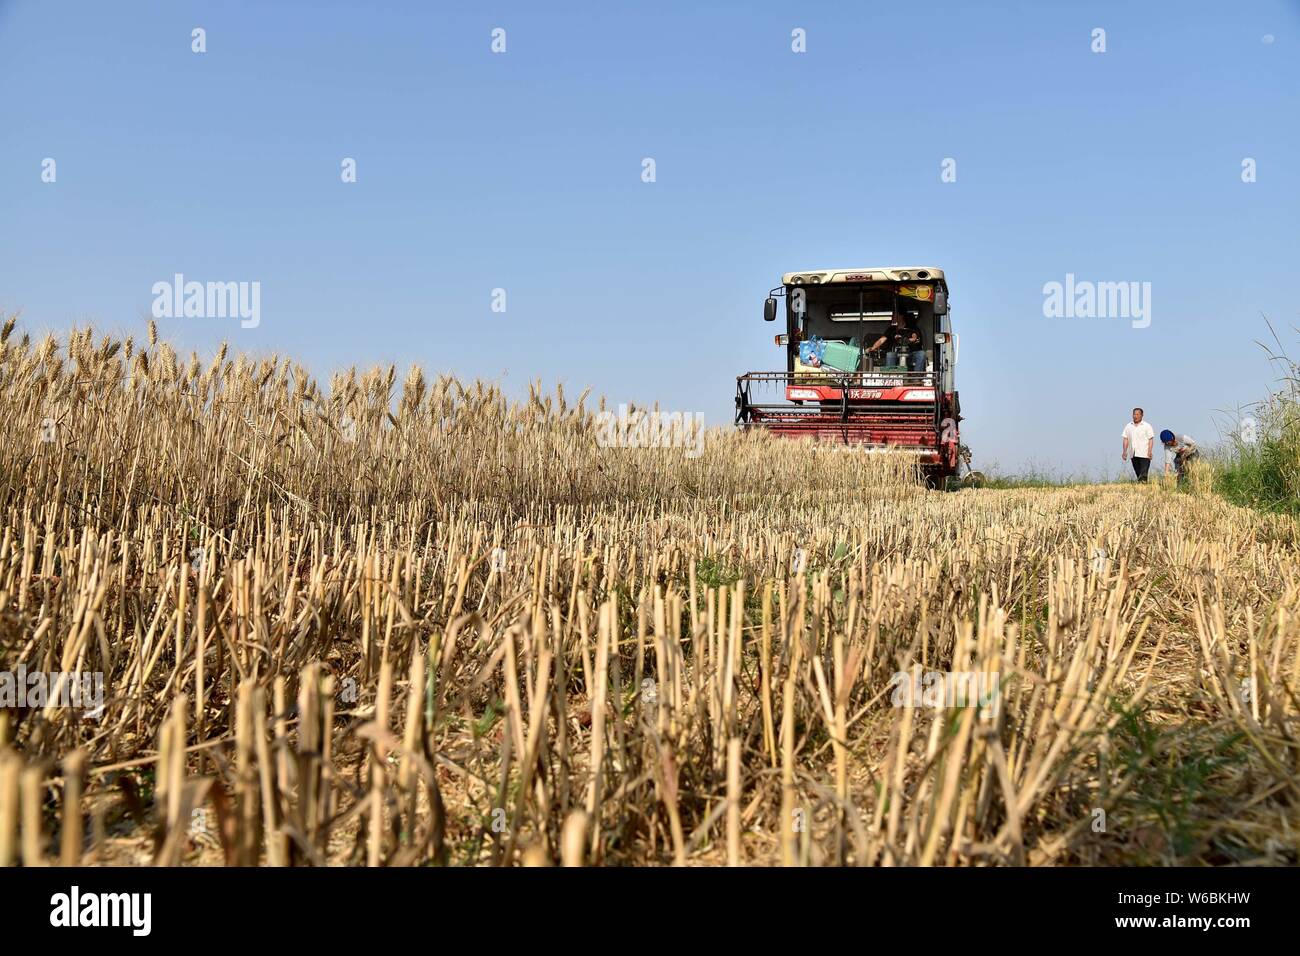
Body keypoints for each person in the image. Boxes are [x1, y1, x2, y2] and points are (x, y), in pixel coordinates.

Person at [1121, 407, 1154, 482]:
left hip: (1144, 454)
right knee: (1138, 473)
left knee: (1143, 474)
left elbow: (1150, 439)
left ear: (1142, 415)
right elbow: (1125, 439)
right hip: (1133, 453)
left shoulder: (1147, 426)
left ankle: (1144, 488)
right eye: (1134, 414)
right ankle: (1141, 488)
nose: (1135, 416)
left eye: (1137, 414)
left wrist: (1149, 451)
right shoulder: (1128, 426)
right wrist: (1124, 451)